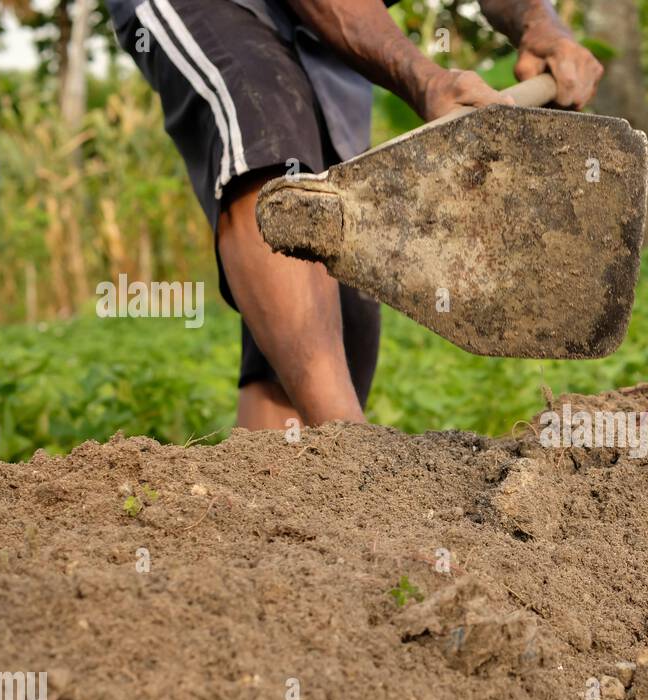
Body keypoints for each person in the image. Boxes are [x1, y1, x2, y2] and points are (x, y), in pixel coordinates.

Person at [105, 0, 603, 428]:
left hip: (325, 37)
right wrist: (426, 80)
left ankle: (273, 514)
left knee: (340, 277)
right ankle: (355, 455)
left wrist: (541, 26)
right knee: (269, 134)